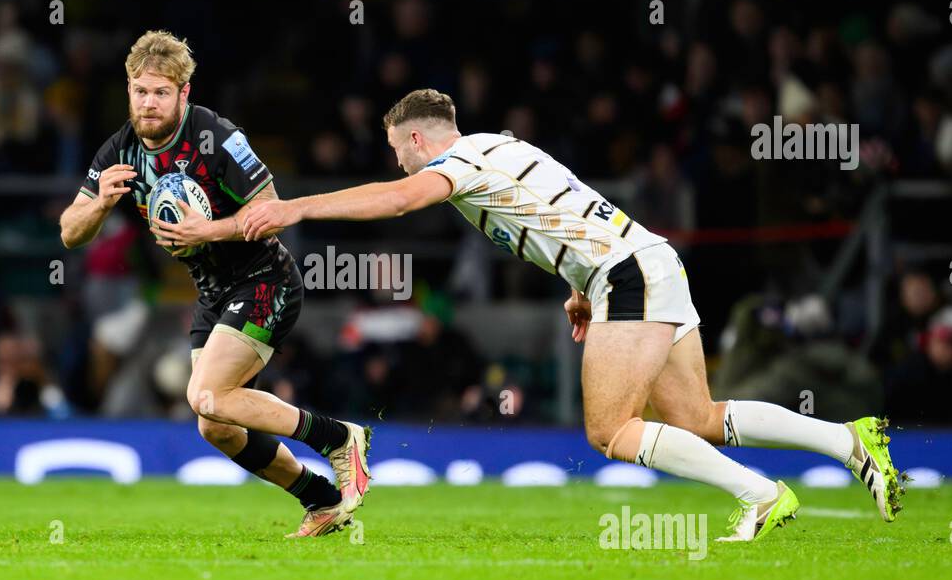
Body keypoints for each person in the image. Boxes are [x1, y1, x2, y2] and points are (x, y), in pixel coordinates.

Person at [242, 88, 907, 542]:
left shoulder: (463, 159)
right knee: (698, 416)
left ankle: (760, 496)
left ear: (418, 139)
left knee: (612, 429)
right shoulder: (508, 147)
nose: (398, 161)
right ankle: (850, 441)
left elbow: (396, 201)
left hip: (629, 274)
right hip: (646, 262)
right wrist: (581, 282)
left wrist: (298, 208)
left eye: (397, 150)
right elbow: (566, 209)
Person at [59, 30, 370, 537]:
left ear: (184, 93)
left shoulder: (216, 136)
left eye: (161, 92)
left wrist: (210, 230)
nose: (149, 102)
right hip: (214, 294)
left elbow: (273, 210)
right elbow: (70, 233)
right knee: (215, 424)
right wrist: (97, 205)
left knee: (205, 395)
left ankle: (338, 439)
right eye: (140, 90)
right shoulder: (118, 150)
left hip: (265, 279)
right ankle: (319, 500)